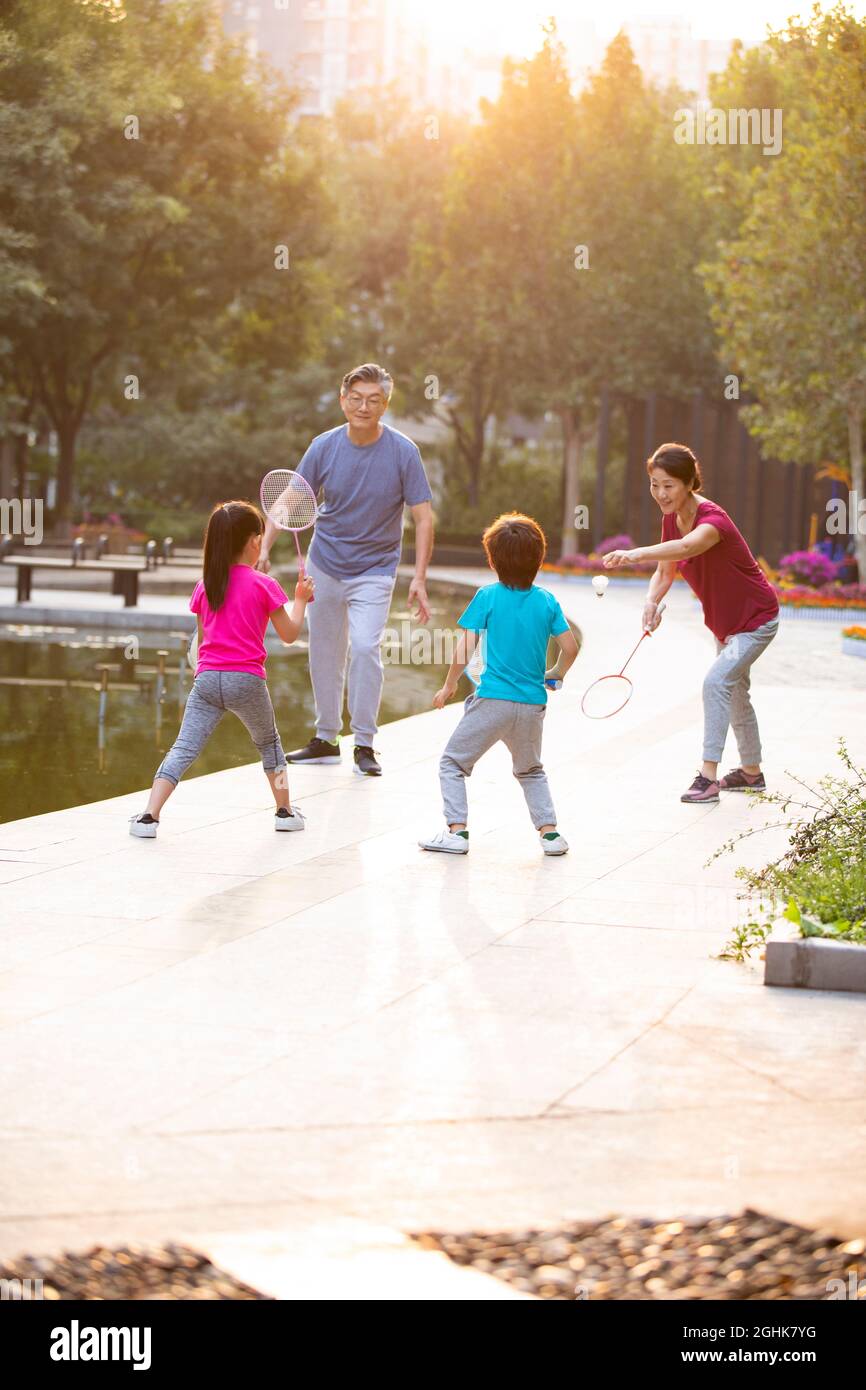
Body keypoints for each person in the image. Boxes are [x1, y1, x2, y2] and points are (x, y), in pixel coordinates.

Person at [258, 363, 433, 778]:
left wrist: (420, 578)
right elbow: (289, 500)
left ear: (385, 405)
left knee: (367, 648)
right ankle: (326, 739)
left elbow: (424, 518)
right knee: (324, 652)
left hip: (376, 567)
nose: (363, 406)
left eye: (374, 399)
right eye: (356, 398)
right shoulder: (323, 446)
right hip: (325, 563)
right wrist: (264, 546)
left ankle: (365, 743)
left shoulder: (404, 452)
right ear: (343, 401)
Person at [604, 442, 780, 804]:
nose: (661, 493)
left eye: (668, 485)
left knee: (716, 682)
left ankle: (707, 777)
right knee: (735, 692)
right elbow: (665, 570)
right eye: (654, 484)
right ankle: (751, 772)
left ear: (688, 483)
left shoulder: (713, 521)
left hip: (757, 619)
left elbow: (685, 549)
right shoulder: (671, 519)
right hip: (726, 624)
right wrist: (651, 601)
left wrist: (634, 553)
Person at [129, 500, 314, 838]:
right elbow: (289, 635)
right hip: (246, 681)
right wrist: (300, 599)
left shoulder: (205, 587)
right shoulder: (264, 585)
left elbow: (201, 644)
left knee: (183, 748)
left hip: (206, 681)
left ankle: (148, 817)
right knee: (270, 745)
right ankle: (285, 812)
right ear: (255, 541)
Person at [419, 512, 579, 856]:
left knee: (452, 763)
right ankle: (550, 835)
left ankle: (457, 833)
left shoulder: (487, 596)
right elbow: (570, 647)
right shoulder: (547, 601)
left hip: (493, 700)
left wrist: (448, 686)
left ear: (492, 560)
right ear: (539, 558)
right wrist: (556, 672)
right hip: (533, 704)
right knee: (531, 770)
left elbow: (466, 647)